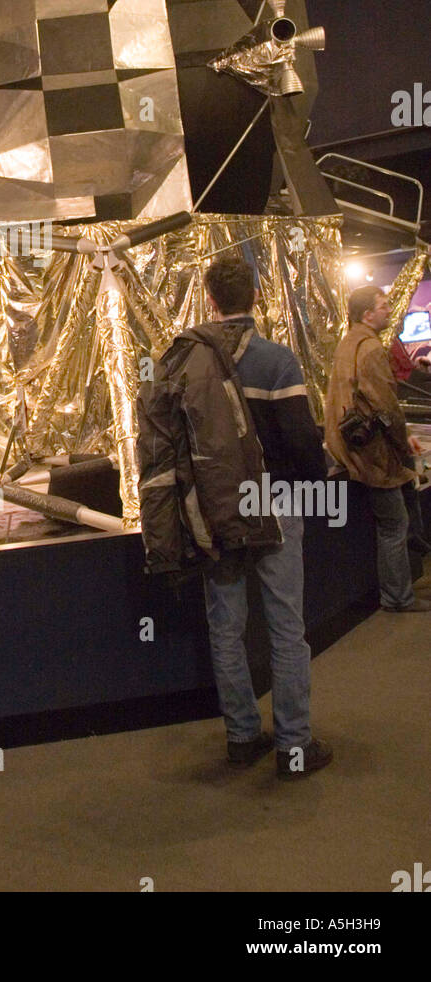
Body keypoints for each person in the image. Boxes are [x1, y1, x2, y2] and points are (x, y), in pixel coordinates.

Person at [138, 255, 333, 779]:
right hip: (276, 505)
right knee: (285, 628)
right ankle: (295, 746)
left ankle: (243, 736)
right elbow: (299, 438)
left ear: (211, 301)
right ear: (255, 298)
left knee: (225, 626)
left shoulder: (185, 359)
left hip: (218, 508)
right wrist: (316, 487)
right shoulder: (276, 360)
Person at [324, 286, 429, 613]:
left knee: (397, 518)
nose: (388, 310)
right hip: (373, 454)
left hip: (352, 447)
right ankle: (398, 597)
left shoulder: (348, 343)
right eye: (383, 306)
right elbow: (386, 407)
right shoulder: (370, 350)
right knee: (394, 525)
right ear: (367, 314)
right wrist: (403, 444)